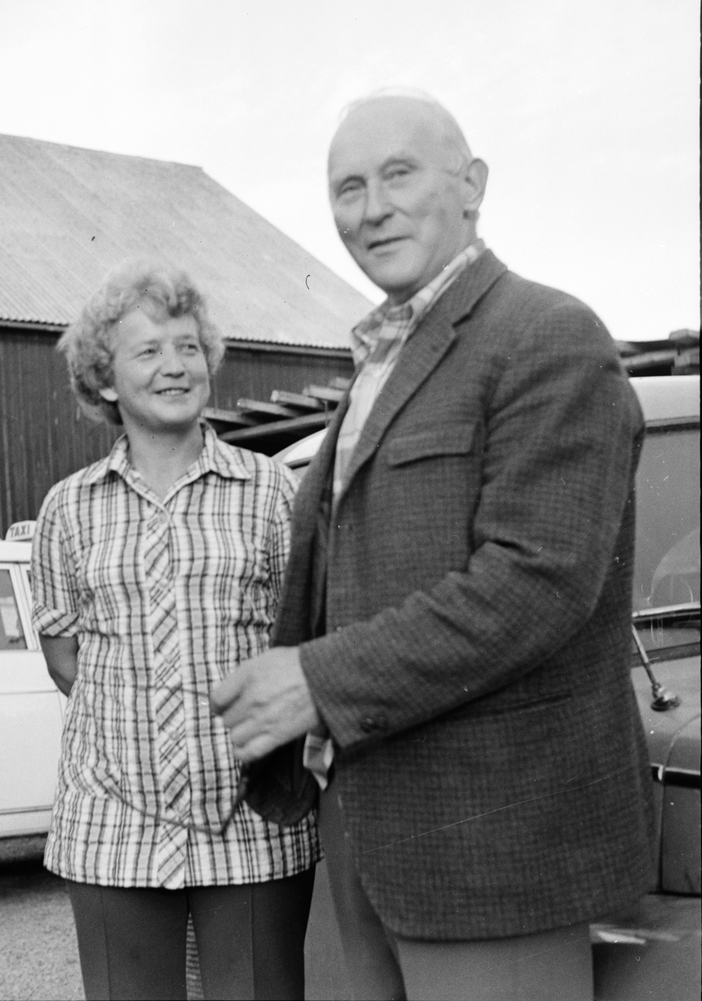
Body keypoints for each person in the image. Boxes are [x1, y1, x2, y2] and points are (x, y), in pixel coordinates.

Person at [212, 91, 656, 1001]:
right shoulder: (379, 362)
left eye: (398, 175)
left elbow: (534, 584)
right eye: (346, 189)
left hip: (496, 852)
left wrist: (315, 681)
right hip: (371, 836)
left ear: (473, 185)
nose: (370, 208)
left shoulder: (548, 335)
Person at [31, 263, 318, 1001]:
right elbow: (67, 658)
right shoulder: (68, 509)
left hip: (251, 820)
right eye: (149, 351)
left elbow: (306, 642)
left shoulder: (271, 493)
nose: (176, 366)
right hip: (111, 823)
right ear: (104, 380)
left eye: (189, 348)